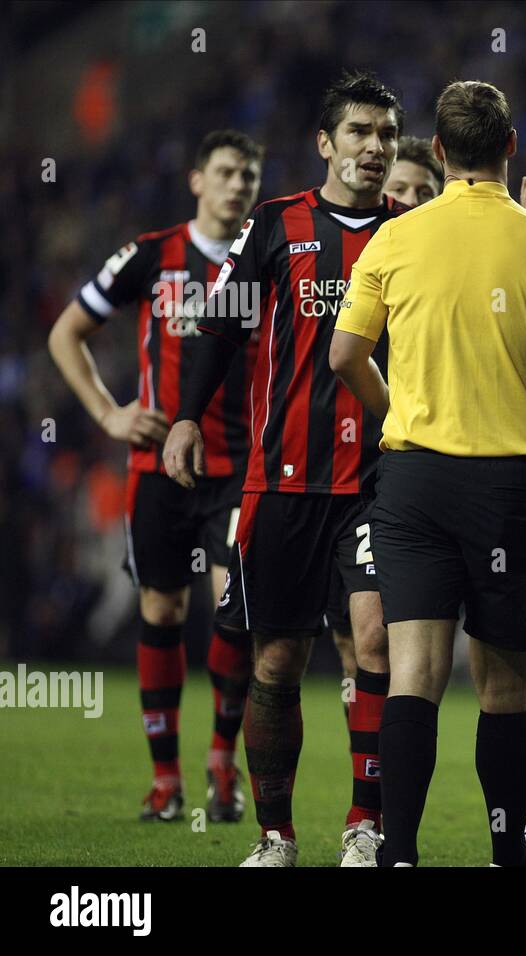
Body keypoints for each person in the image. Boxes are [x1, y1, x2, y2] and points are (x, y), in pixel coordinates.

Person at [330, 79, 526, 867]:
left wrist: (398, 409)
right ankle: (504, 851)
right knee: (504, 684)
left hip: (415, 481)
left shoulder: (394, 239)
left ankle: (401, 852)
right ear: (511, 146)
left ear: (440, 152)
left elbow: (345, 356)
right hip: (511, 487)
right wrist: (524, 392)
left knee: (413, 671)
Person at [163, 71, 407, 867]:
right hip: (280, 480)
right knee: (277, 660)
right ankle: (277, 836)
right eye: (360, 133)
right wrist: (188, 418)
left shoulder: (413, 233)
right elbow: (221, 329)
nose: (374, 148)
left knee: (371, 643)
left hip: (376, 479)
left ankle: (364, 826)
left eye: (386, 134)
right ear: (326, 143)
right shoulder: (276, 225)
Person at [48, 130, 264, 824]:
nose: (238, 186)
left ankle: (221, 763)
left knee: (234, 614)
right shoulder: (150, 256)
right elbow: (66, 332)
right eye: (227, 173)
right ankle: (166, 780)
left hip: (239, 468)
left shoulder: (268, 258)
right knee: (162, 612)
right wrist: (109, 414)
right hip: (158, 470)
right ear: (197, 180)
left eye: (249, 176)